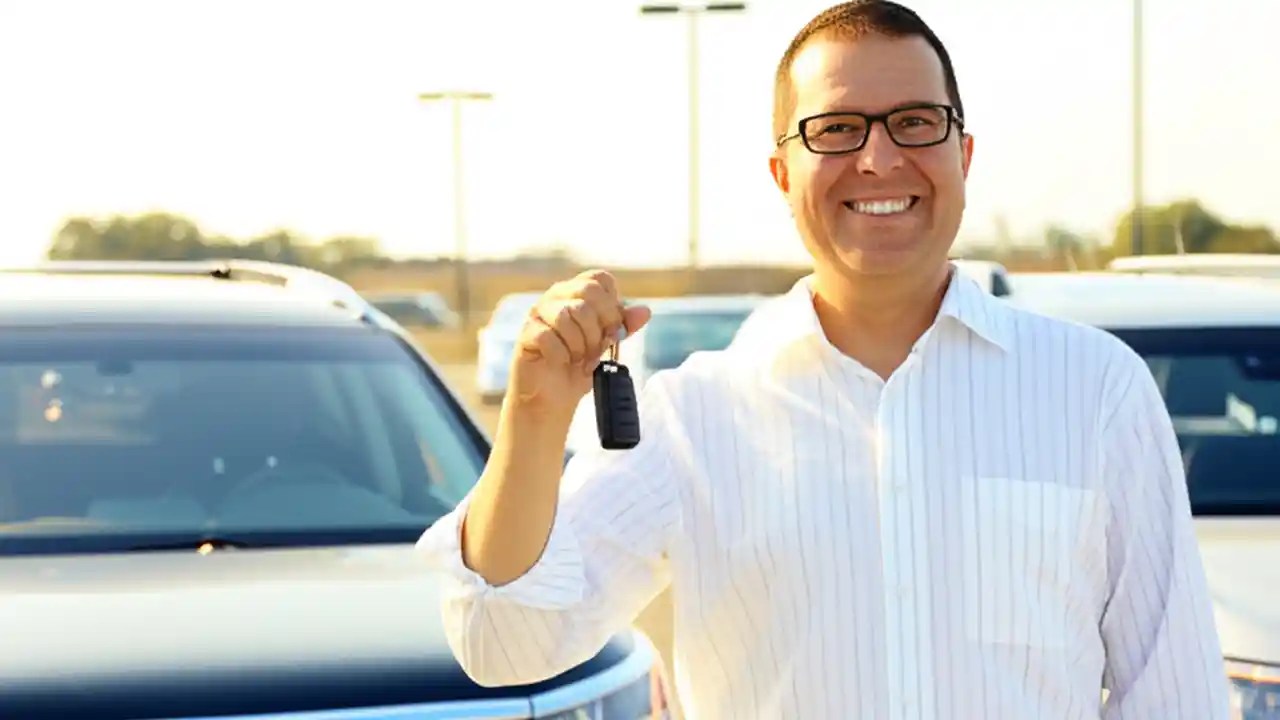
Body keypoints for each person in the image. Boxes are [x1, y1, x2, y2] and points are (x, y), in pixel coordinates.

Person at [417, 1, 1231, 717]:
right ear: (782, 173)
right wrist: (531, 417)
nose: (879, 160)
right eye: (837, 129)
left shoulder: (1095, 391)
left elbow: (1174, 696)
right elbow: (504, 644)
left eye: (915, 122)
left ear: (964, 156)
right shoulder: (694, 418)